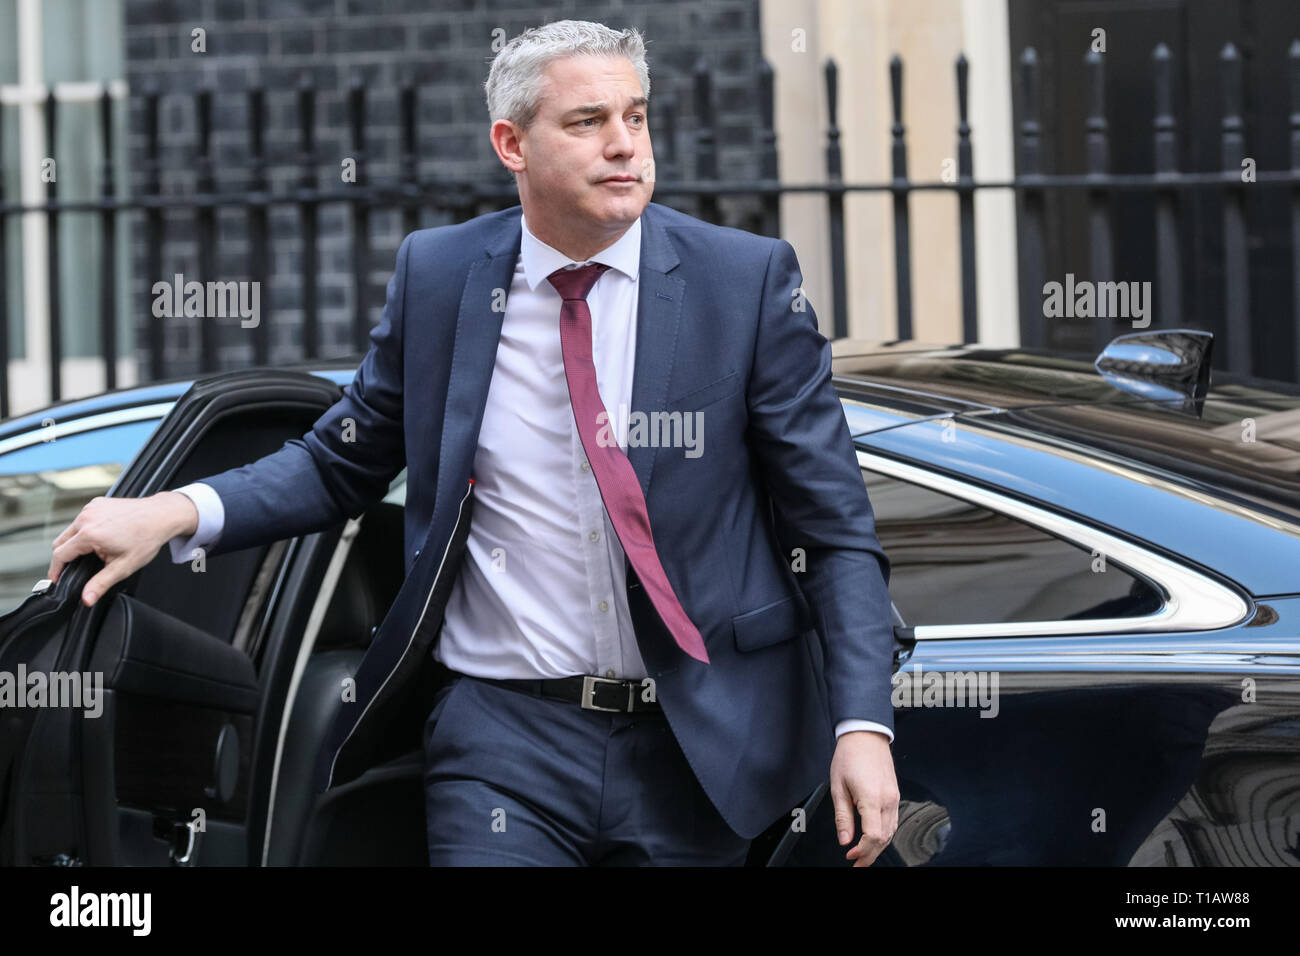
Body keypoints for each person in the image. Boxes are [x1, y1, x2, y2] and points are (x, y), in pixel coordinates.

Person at [46, 19, 899, 866]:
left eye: (635, 118)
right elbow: (341, 459)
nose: (624, 146)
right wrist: (171, 512)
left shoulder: (742, 283)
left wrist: (861, 725)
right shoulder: (443, 276)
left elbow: (833, 530)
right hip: (504, 743)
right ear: (511, 143)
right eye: (587, 122)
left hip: (700, 743)